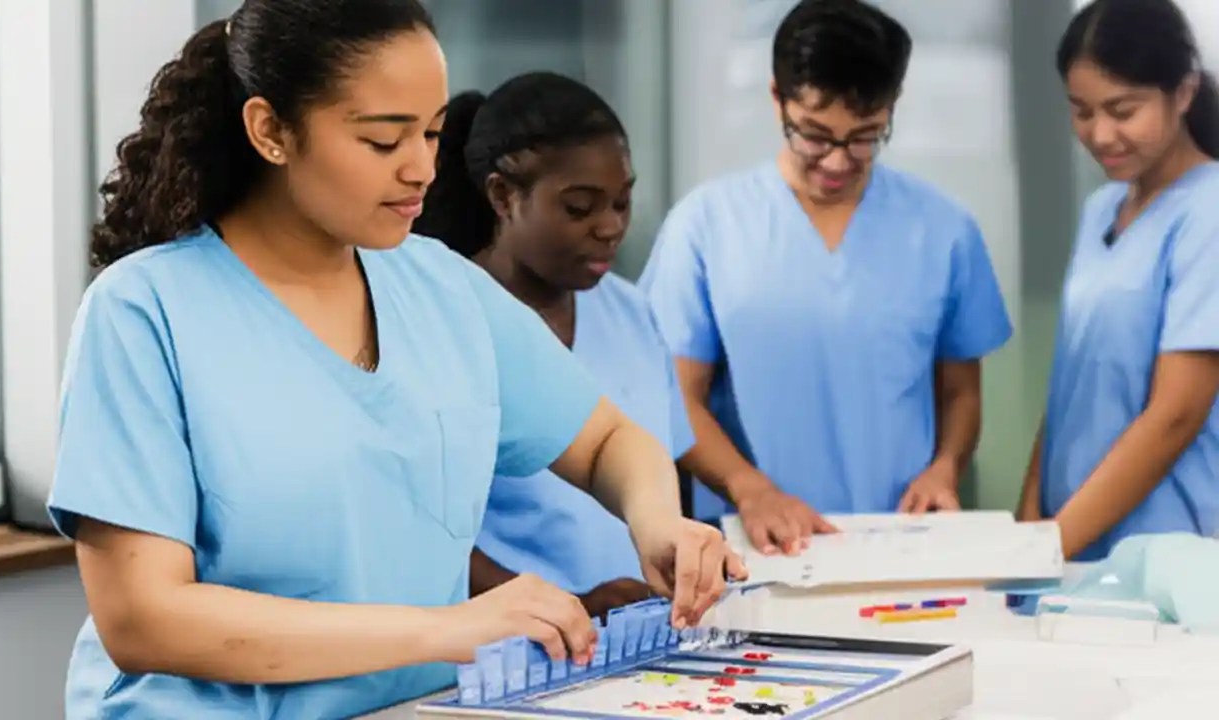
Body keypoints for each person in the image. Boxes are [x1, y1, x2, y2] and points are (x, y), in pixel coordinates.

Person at [46, 2, 744, 717]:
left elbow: (606, 441)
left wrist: (656, 522)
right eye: (383, 141)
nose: (422, 169)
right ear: (270, 131)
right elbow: (142, 619)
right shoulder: (142, 312)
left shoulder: (442, 290)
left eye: (433, 132)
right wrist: (445, 630)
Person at [639, 0, 1013, 555]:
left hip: (904, 548)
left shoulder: (943, 229)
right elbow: (675, 399)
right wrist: (751, 490)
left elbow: (960, 392)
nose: (837, 162)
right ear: (777, 100)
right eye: (814, 135)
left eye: (864, 136)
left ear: (892, 109)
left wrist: (945, 469)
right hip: (758, 549)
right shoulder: (706, 227)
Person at [412, 72, 697, 621]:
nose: (610, 227)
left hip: (635, 640)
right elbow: (422, 532)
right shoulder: (447, 321)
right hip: (507, 646)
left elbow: (648, 461)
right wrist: (562, 607)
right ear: (503, 196)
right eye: (579, 208)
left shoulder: (633, 313)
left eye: (621, 202)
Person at [1017, 0, 1219, 561]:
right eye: (1081, 111)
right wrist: (1027, 525)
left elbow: (1177, 414)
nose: (1101, 134)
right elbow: (1072, 392)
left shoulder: (1209, 212)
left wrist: (1048, 546)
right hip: (1071, 548)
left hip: (1165, 554)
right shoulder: (1101, 209)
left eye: (1123, 110)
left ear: (1183, 93)